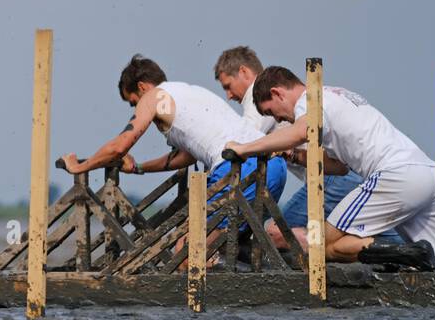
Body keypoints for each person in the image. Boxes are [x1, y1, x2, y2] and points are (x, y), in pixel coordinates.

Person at [225, 65, 435, 279]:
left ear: (277, 93)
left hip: (396, 177)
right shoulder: (336, 95)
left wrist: (244, 148)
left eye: (272, 112)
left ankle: (407, 254)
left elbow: (301, 131)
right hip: (431, 176)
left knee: (319, 245)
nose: (278, 119)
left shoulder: (310, 100)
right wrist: (295, 155)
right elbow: (340, 167)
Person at [59, 55, 286, 255]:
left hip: (240, 167)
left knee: (186, 253)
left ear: (142, 87)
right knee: (221, 249)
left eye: (133, 102)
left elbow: (120, 147)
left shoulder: (154, 97)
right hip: (272, 166)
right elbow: (185, 157)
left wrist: (80, 166)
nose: (136, 108)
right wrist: (139, 168)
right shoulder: (189, 91)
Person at [213, 45, 399, 246]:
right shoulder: (296, 96)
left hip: (326, 177)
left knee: (275, 235)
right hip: (341, 171)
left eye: (227, 86)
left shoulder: (258, 96)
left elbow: (244, 138)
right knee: (384, 236)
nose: (229, 95)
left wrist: (224, 156)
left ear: (244, 72)